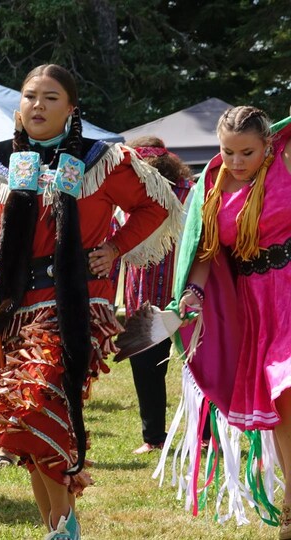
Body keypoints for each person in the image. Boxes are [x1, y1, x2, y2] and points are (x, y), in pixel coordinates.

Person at [0, 64, 182, 539]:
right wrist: (3, 257)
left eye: (51, 97)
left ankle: (63, 526)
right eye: (30, 95)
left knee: (38, 406)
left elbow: (157, 205)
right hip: (11, 309)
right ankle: (59, 526)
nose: (37, 104)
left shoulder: (102, 159)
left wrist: (115, 248)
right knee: (19, 425)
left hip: (73, 305)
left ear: (72, 109)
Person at [160, 107, 291, 532]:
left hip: (289, 289)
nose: (236, 161)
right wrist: (193, 293)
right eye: (227, 151)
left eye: (247, 152)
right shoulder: (211, 187)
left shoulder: (285, 165)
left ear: (267, 144)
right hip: (254, 303)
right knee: (282, 405)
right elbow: (204, 249)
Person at [112, 137, 192, 455]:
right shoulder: (126, 200)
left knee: (196, 368)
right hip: (142, 294)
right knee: (145, 367)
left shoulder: (189, 195)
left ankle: (205, 435)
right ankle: (154, 438)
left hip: (184, 293)